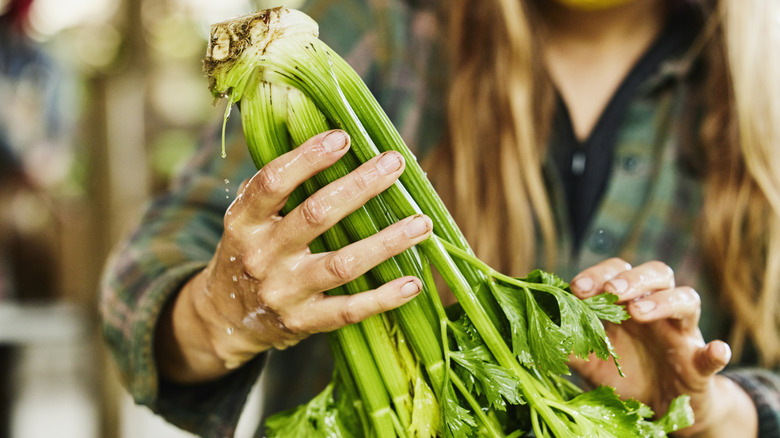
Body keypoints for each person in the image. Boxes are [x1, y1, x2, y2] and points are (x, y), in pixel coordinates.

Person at [100, 0, 780, 436]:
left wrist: (719, 414)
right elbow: (137, 282)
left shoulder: (760, 90)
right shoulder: (380, 31)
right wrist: (222, 311)